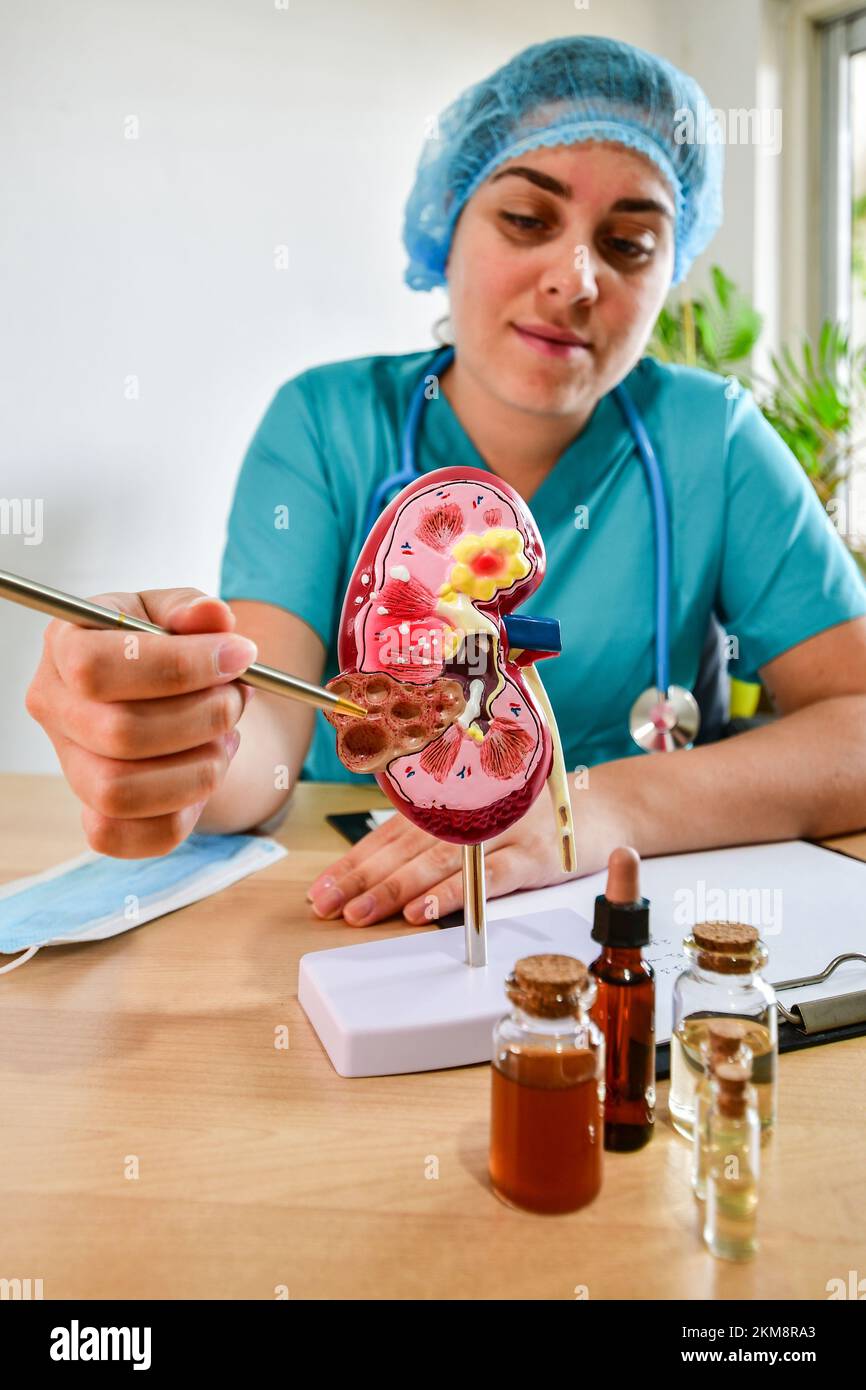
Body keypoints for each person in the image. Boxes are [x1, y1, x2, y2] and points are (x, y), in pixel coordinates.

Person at [25, 35, 866, 930]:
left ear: (670, 268)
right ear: (448, 222)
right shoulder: (324, 422)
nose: (575, 281)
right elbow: (265, 742)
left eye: (628, 243)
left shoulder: (717, 438)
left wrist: (595, 808)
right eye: (527, 221)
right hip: (374, 911)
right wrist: (182, 743)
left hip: (622, 920)